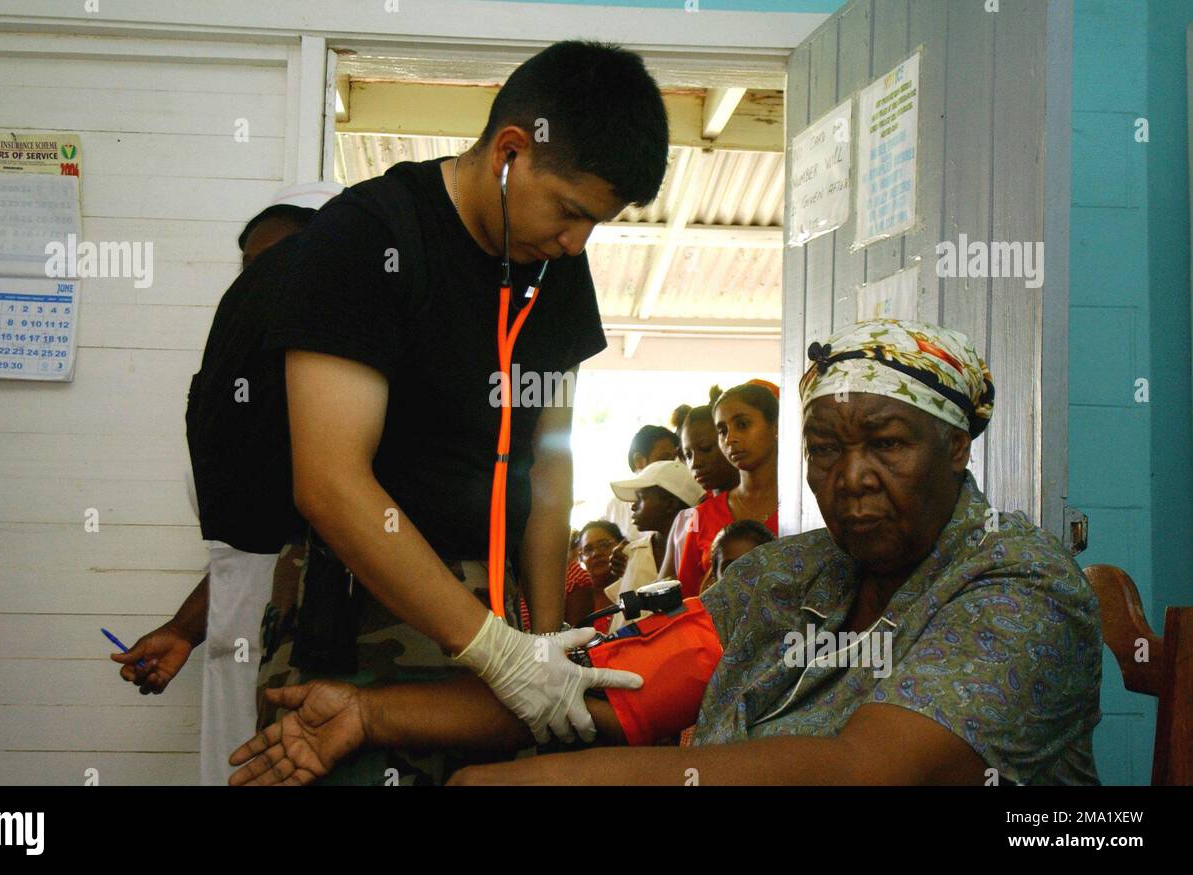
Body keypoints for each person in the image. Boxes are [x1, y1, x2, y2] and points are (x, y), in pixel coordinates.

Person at [229, 318, 1102, 786]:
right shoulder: (797, 573)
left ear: (956, 449)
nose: (852, 478)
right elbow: (614, 694)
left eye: (887, 443)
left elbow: (865, 770)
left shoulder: (1017, 587)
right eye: (828, 449)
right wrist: (373, 715)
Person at [252, 40, 670, 782]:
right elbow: (329, 482)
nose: (578, 243)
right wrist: (496, 649)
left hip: (499, 611)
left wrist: (543, 642)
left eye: (595, 224)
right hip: (366, 616)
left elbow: (548, 461)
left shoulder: (553, 267)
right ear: (512, 151)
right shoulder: (369, 237)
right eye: (572, 211)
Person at [109, 189, 327, 785]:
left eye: (274, 263)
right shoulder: (236, 395)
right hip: (238, 643)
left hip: (310, 659)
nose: (254, 286)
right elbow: (249, 552)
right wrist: (184, 629)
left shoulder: (341, 396)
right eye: (247, 270)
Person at [662, 383, 780, 597]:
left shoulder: (807, 506)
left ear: (776, 426)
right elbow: (689, 598)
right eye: (722, 430)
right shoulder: (702, 516)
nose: (730, 438)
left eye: (742, 424)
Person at [601, 460, 702, 631]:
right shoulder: (631, 553)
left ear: (670, 504)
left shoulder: (698, 553)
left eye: (641, 498)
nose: (633, 506)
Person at [601, 425, 678, 541]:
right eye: (664, 459)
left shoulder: (682, 500)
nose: (672, 465)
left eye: (675, 459)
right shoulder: (614, 507)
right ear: (639, 461)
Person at [699, 518, 775, 595]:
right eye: (729, 568)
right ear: (714, 576)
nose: (739, 579)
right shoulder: (693, 606)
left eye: (750, 569)